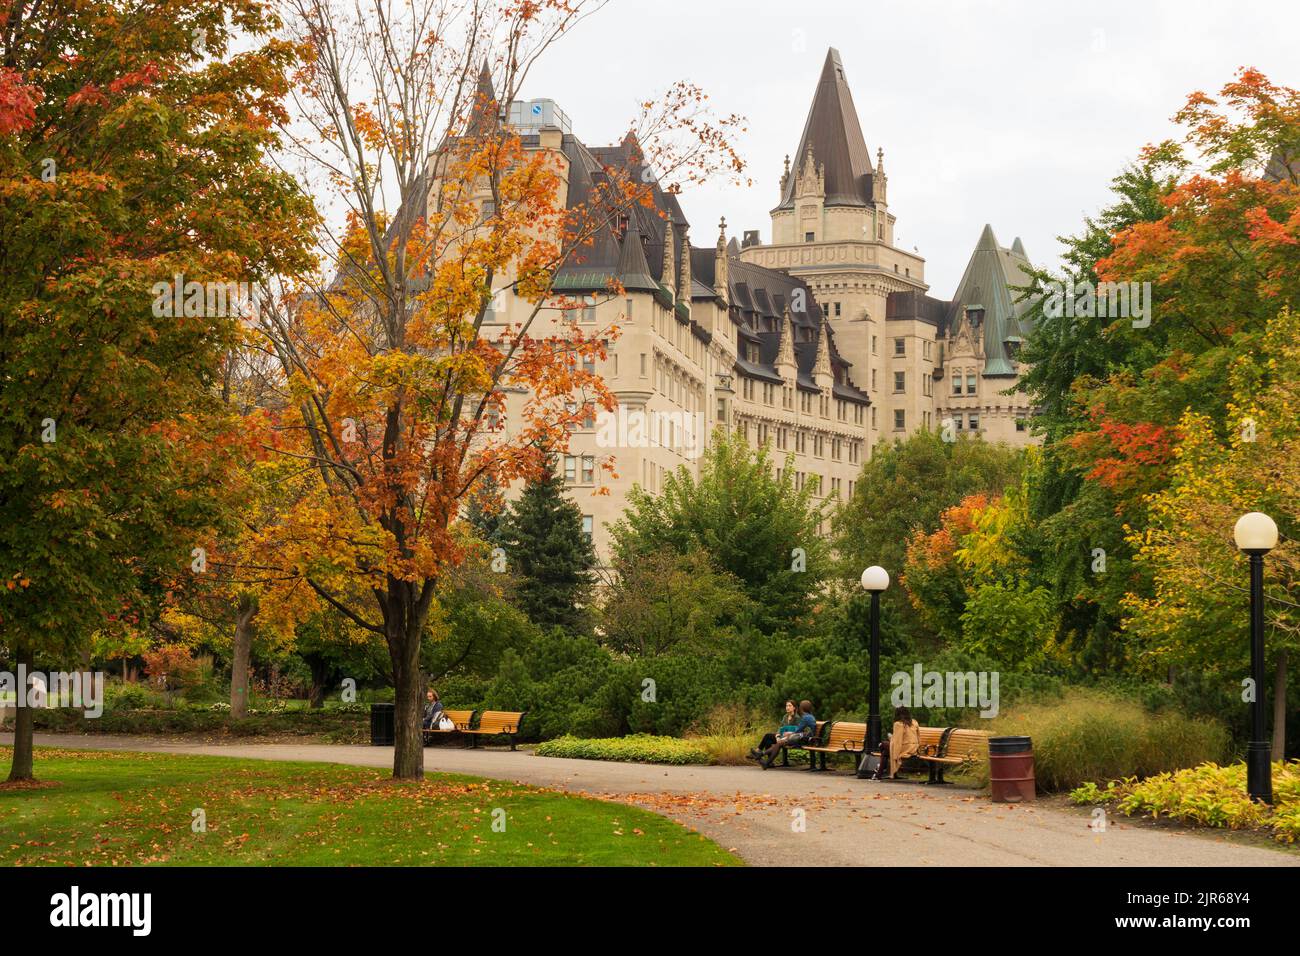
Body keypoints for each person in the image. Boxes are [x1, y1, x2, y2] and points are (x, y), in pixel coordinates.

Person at [760, 699, 817, 769]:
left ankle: (763, 757)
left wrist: (789, 733)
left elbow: (799, 730)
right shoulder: (809, 716)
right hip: (806, 737)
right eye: (786, 706)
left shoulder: (805, 717)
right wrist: (782, 734)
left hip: (805, 739)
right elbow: (797, 730)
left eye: (789, 705)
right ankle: (765, 759)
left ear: (802, 708)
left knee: (780, 743)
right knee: (778, 741)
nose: (787, 707)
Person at [875, 706, 920, 779]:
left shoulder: (898, 724)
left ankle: (880, 771)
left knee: (883, 744)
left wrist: (895, 755)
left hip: (905, 748)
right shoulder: (914, 722)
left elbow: (897, 742)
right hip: (914, 748)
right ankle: (880, 773)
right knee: (885, 752)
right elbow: (918, 737)